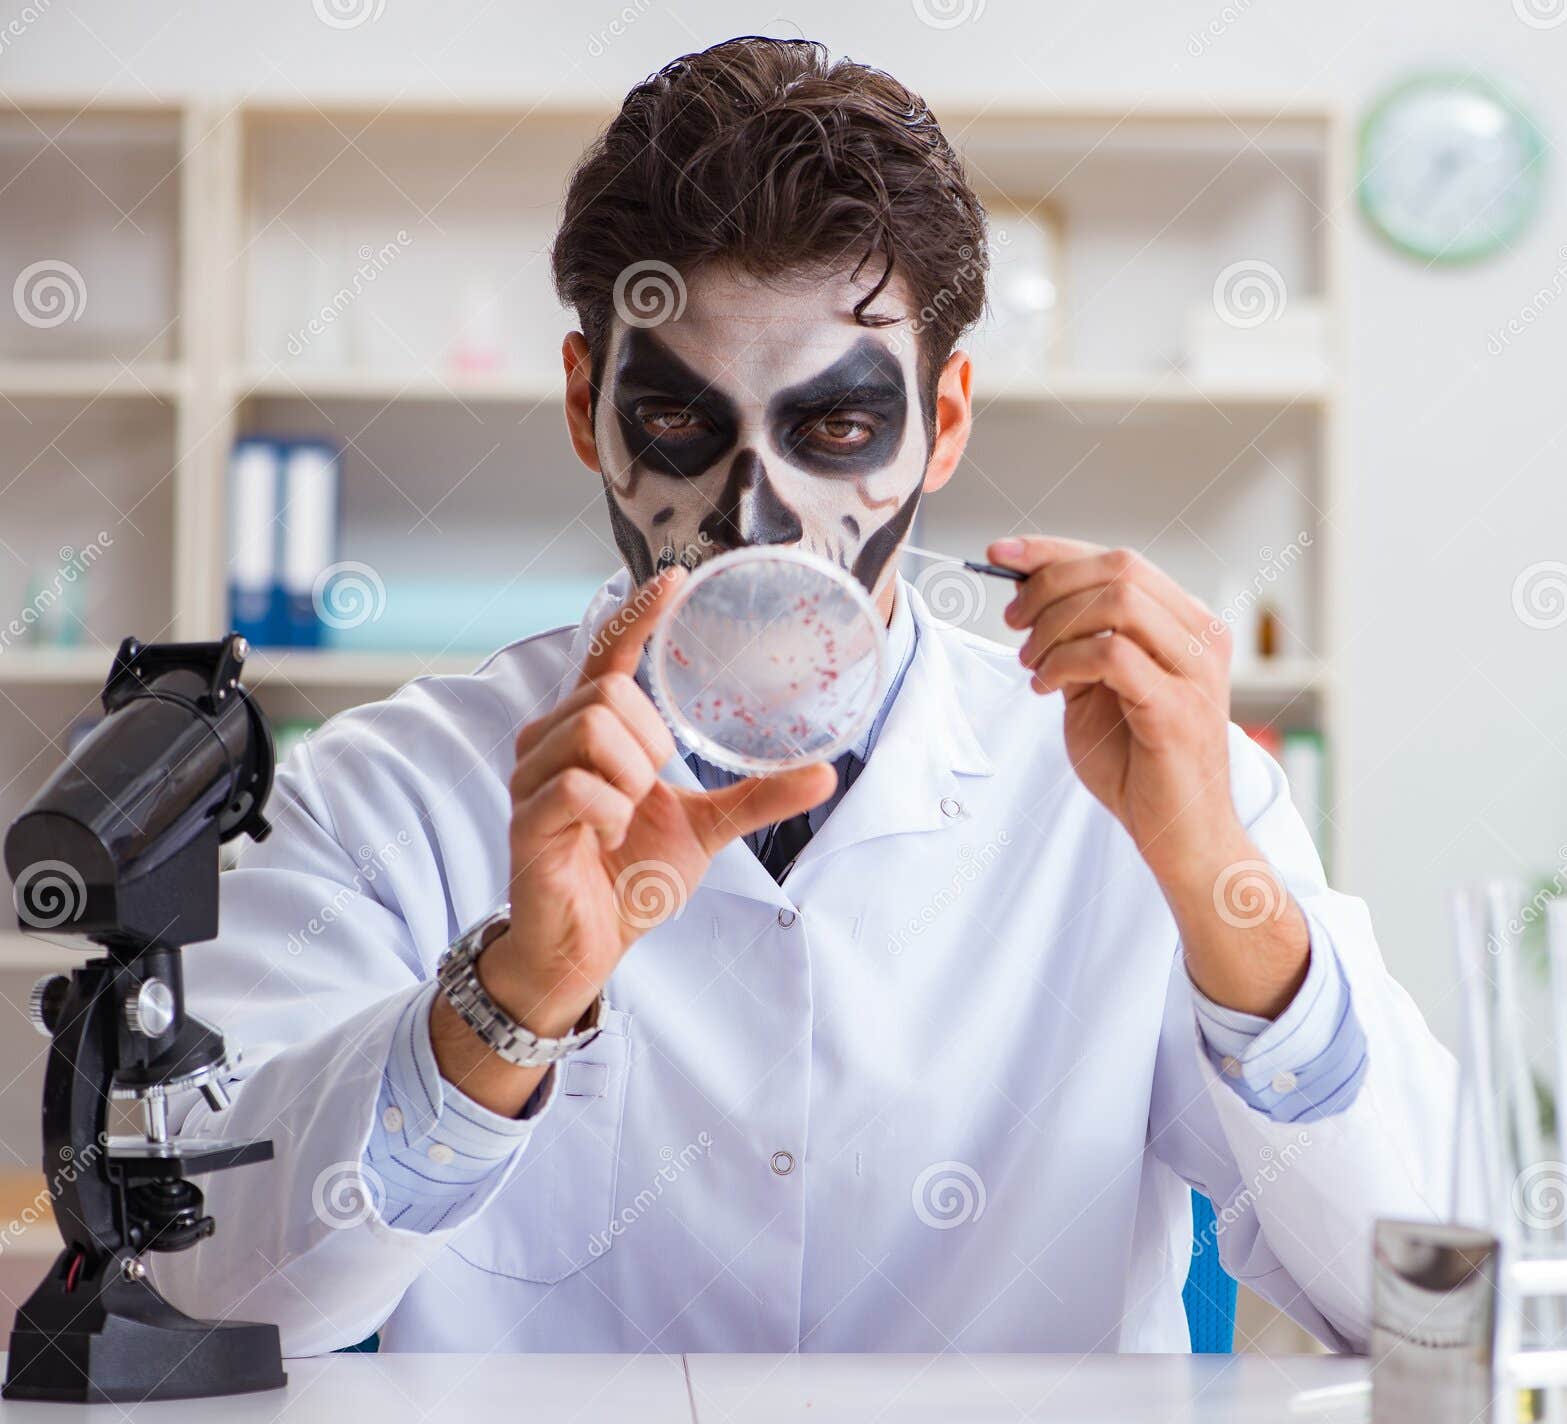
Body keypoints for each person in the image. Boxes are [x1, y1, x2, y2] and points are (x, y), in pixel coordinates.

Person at [161, 37, 1456, 1356]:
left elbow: (1425, 1299)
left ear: (945, 419)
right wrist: (515, 997)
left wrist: (1215, 881)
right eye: (678, 424)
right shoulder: (390, 795)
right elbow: (218, 1286)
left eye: (835, 428)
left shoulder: (1148, 794)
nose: (756, 517)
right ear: (583, 405)